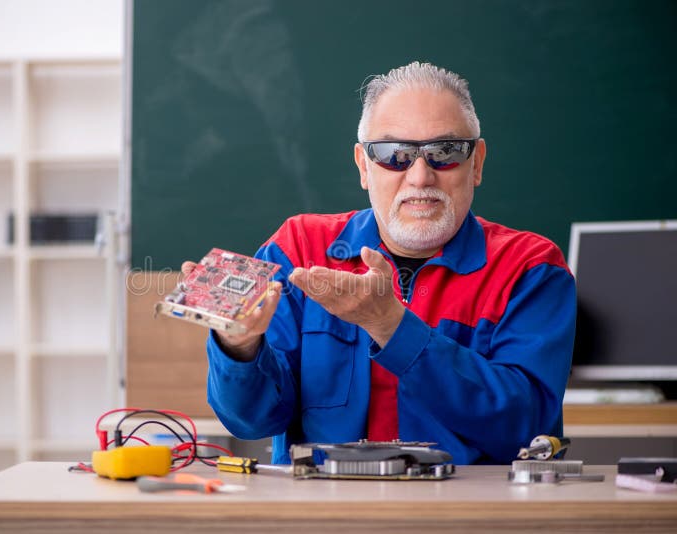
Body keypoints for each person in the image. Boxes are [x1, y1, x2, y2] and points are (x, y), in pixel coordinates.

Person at [182, 61, 576, 465]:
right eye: (394, 154)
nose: (420, 177)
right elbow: (251, 421)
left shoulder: (530, 268)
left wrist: (390, 325)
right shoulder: (298, 247)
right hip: (325, 513)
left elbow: (527, 427)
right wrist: (240, 344)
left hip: (465, 517)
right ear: (363, 166)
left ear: (476, 163)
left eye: (445, 152)